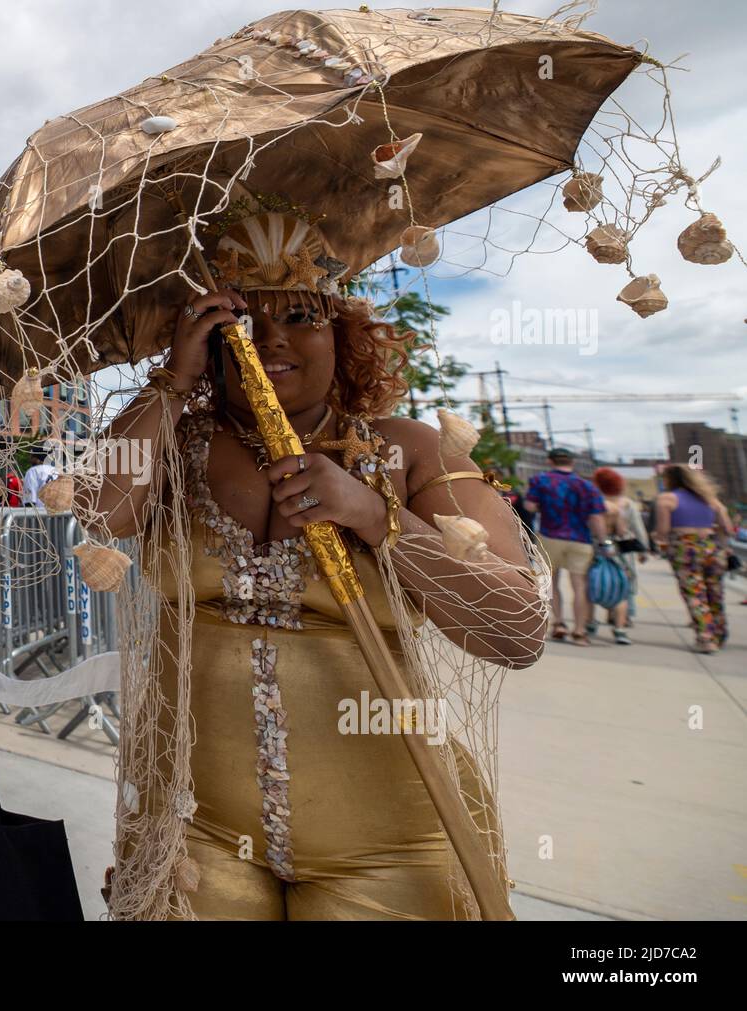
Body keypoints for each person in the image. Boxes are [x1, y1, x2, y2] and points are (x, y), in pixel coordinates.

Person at [80, 194, 549, 920]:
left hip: (390, 843)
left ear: (346, 334)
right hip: (194, 828)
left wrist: (372, 514)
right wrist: (172, 378)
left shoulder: (408, 450)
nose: (270, 342)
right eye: (242, 322)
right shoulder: (176, 439)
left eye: (301, 315)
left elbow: (516, 629)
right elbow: (101, 510)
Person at [523, 448, 610, 645]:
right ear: (572, 462)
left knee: (551, 583)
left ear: (550, 461)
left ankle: (559, 623)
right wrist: (604, 542)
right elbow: (597, 517)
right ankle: (579, 630)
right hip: (580, 538)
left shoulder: (541, 481)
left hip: (549, 536)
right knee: (579, 586)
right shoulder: (587, 486)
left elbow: (529, 506)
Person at [653, 464, 734, 654]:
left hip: (684, 547)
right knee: (715, 592)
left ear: (670, 479)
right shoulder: (711, 500)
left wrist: (657, 539)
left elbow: (663, 532)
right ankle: (719, 633)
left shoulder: (666, 499)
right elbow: (727, 528)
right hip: (711, 547)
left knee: (694, 593)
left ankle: (706, 638)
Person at [592, 467, 649, 642]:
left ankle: (602, 615)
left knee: (601, 579)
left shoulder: (595, 501)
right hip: (623, 547)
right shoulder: (628, 503)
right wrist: (643, 548)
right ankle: (624, 617)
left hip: (598, 545)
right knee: (624, 581)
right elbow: (638, 528)